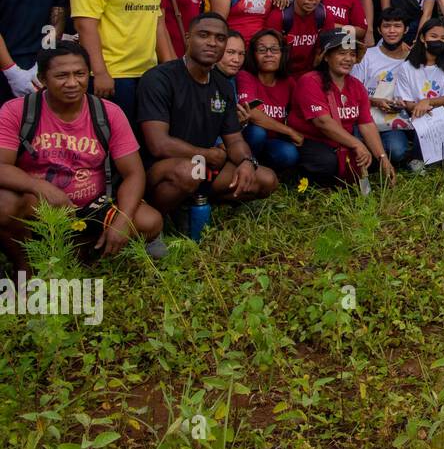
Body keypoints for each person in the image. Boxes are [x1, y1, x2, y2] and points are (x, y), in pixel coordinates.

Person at [0, 42, 165, 268]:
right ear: (42, 78)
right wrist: (41, 188)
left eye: (79, 74)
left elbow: (134, 173)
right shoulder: (17, 111)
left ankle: (79, 250)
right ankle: (25, 267)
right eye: (61, 75)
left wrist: (122, 222)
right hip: (41, 206)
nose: (72, 83)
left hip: (94, 204)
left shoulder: (108, 112)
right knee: (4, 203)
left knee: (149, 221)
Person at [138, 13, 277, 223]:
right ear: (188, 38)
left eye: (220, 38)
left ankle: (193, 202)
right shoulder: (160, 78)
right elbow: (158, 144)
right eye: (204, 35)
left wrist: (247, 161)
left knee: (266, 179)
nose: (212, 43)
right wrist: (206, 154)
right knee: (192, 170)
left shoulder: (222, 86)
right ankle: (158, 216)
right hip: (160, 170)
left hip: (204, 167)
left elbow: (235, 140)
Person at [288, 28, 397, 186]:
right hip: (311, 140)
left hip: (341, 142)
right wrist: (357, 144)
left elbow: (366, 124)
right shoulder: (310, 81)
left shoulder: (357, 86)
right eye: (341, 53)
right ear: (326, 56)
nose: (348, 59)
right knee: (327, 162)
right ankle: (298, 178)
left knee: (373, 158)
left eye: (352, 54)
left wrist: (383, 159)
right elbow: (323, 122)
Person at [393, 19, 444, 164]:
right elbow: (406, 102)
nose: (439, 41)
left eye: (443, 38)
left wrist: (426, 102)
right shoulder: (407, 67)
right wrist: (421, 108)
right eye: (433, 36)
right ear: (422, 38)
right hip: (415, 118)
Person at [349, 9, 414, 169]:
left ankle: (377, 158)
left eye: (397, 26)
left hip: (393, 120)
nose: (392, 31)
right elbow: (353, 90)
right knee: (356, 148)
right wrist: (374, 101)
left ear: (405, 29)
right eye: (386, 26)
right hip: (364, 117)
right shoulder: (366, 56)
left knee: (398, 150)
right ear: (379, 29)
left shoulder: (412, 60)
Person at [235, 29, 303, 174]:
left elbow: (300, 110)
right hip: (247, 140)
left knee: (290, 153)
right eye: (262, 50)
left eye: (274, 49)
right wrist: (289, 131)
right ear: (253, 54)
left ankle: (263, 171)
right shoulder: (245, 76)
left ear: (282, 54)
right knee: (258, 132)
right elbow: (252, 112)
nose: (269, 54)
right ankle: (247, 167)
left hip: (272, 143)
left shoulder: (288, 82)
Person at [277, 0, 336, 78]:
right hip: (281, 75)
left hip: (311, 75)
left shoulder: (324, 16)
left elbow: (324, 50)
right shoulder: (280, 16)